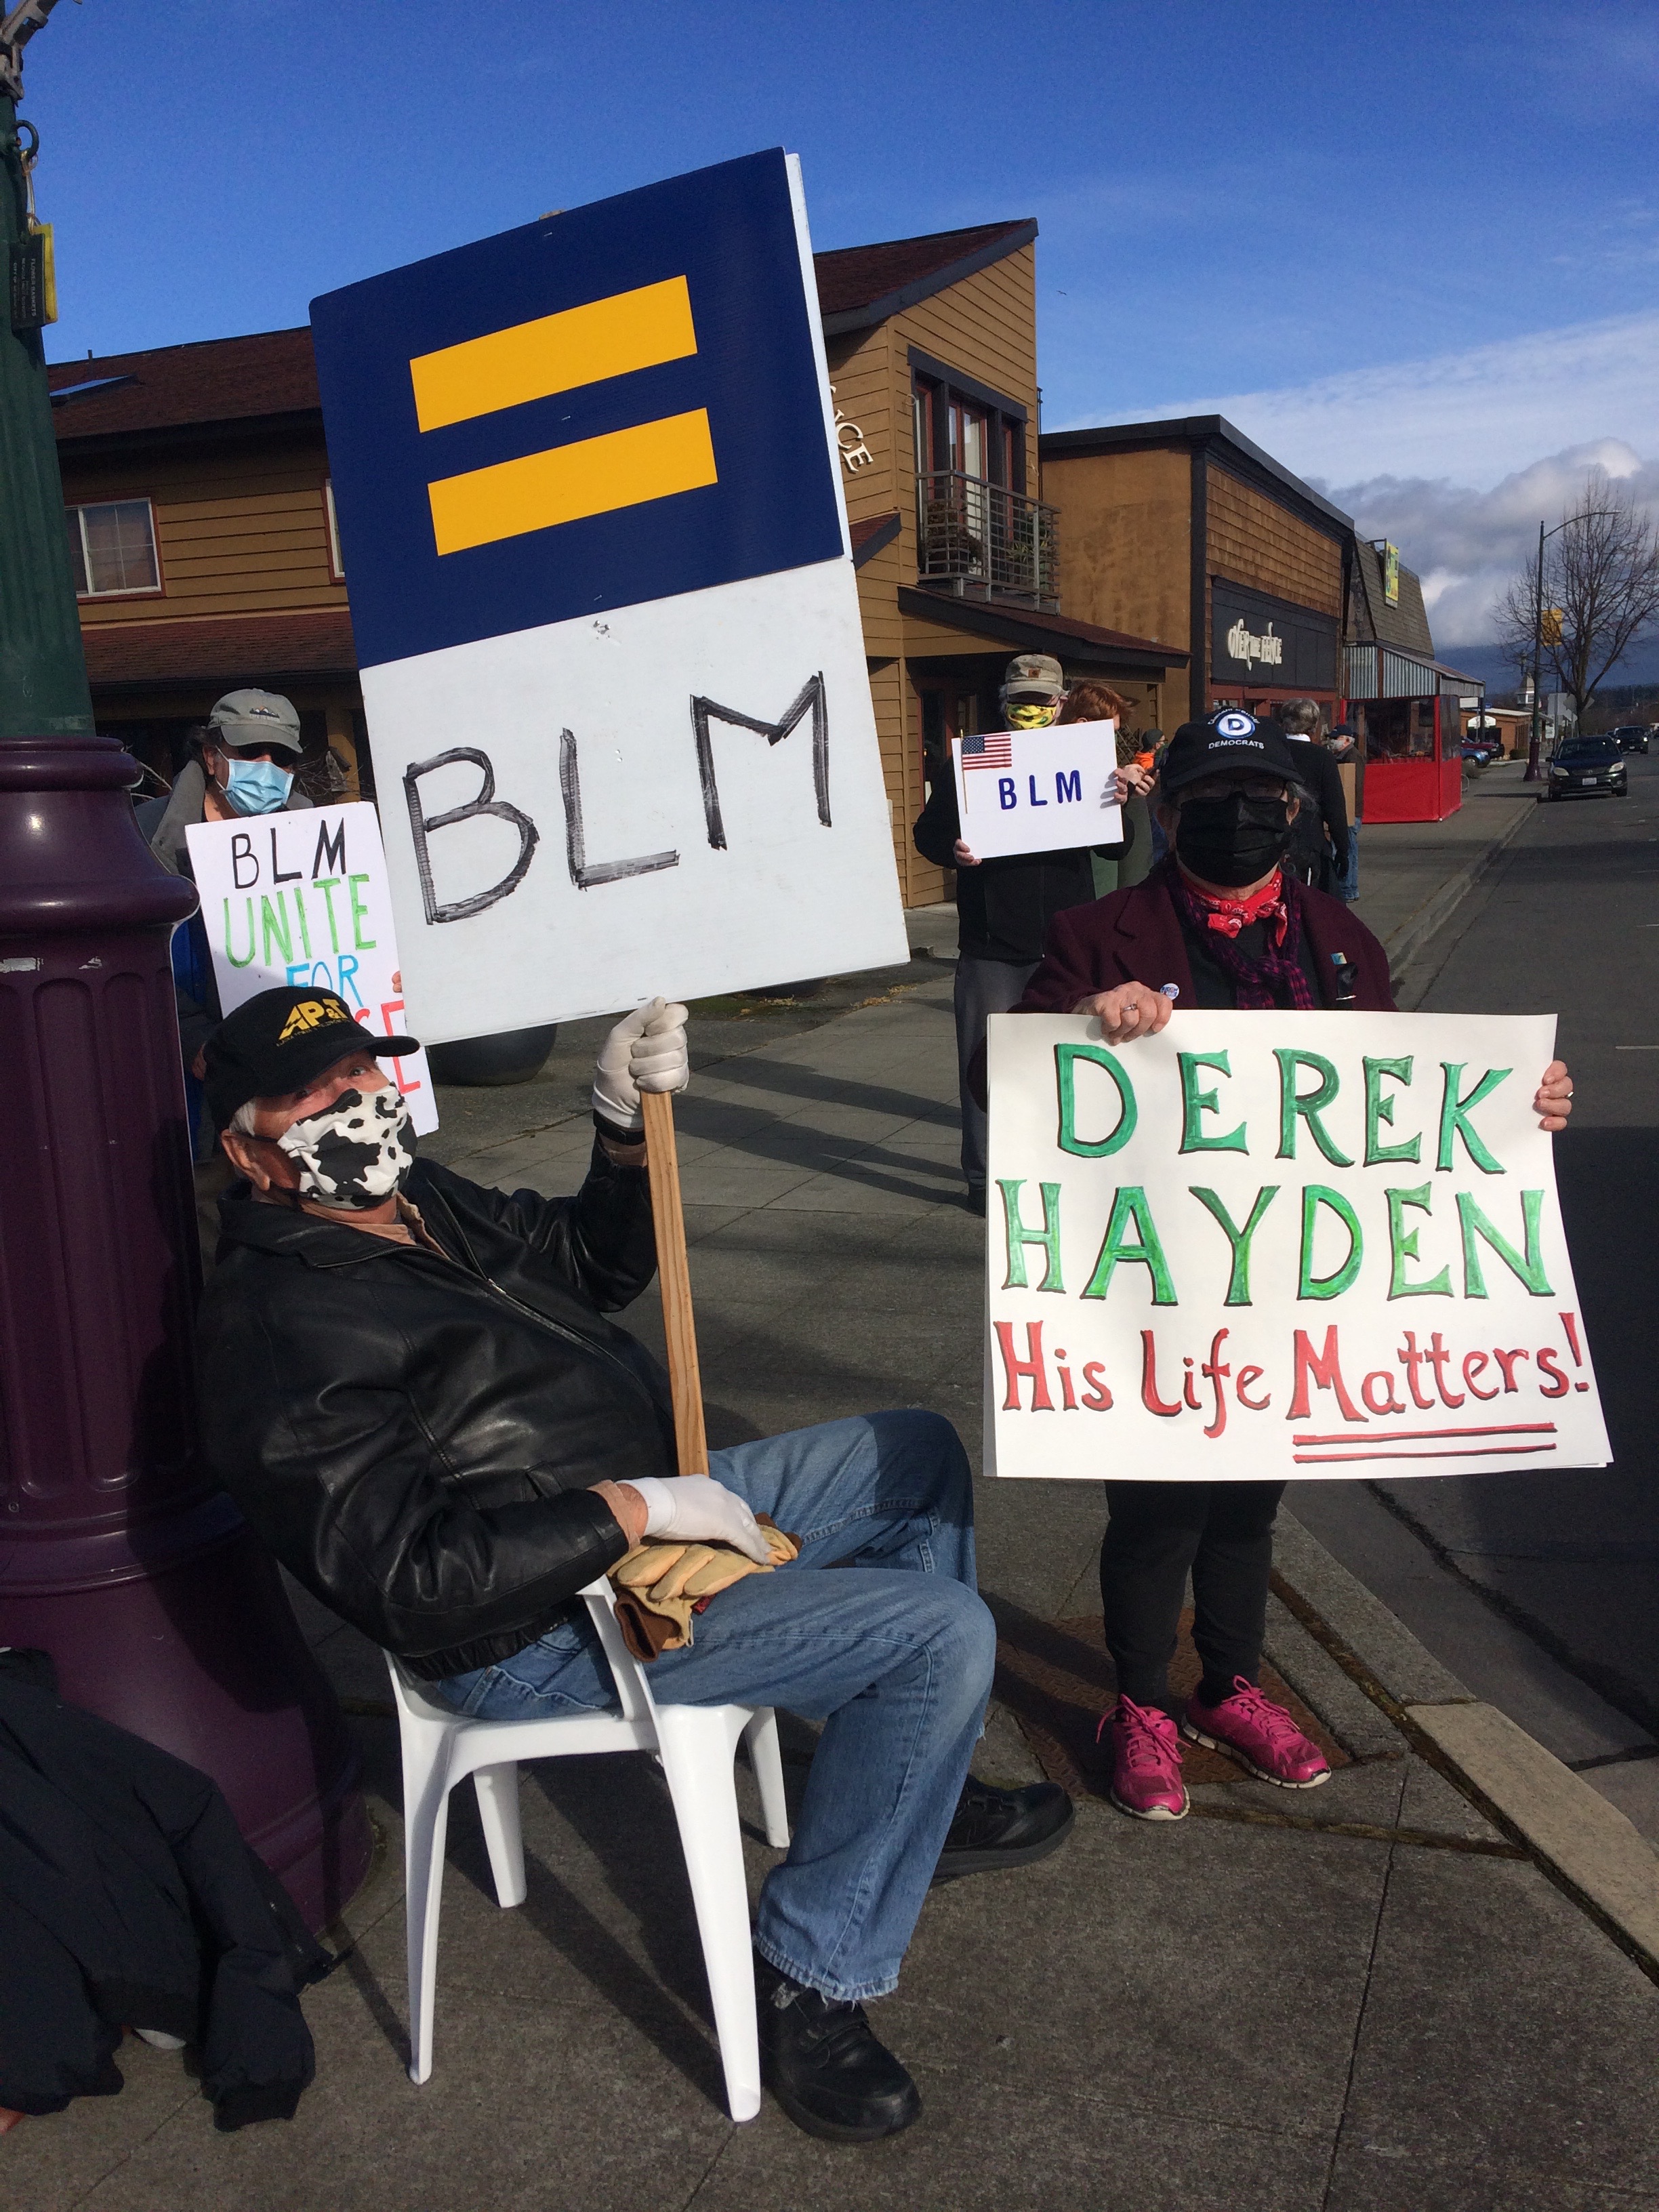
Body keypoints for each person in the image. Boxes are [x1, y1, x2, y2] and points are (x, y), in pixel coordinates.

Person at [192, 985, 1074, 2144]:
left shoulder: (419, 1199)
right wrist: (625, 1506)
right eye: (313, 1094)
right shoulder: (274, 1325)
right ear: (248, 1149)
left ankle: (921, 1790)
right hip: (532, 1626)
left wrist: (617, 1126)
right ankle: (810, 1972)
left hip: (641, 1514)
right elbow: (406, 1580)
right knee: (937, 1632)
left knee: (909, 1454)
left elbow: (583, 1265)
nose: (356, 1103)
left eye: (364, 1071)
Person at [998, 710, 1575, 1819]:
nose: (1236, 816)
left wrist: (1515, 1101)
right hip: (1151, 1294)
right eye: (1210, 796)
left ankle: (1229, 1682)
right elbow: (1004, 1086)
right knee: (1159, 1511)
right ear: (1164, 813)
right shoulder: (1095, 931)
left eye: (1261, 797)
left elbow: (1395, 1107)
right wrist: (1077, 1022)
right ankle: (1139, 1700)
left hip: (1286, 1292)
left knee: (1248, 1507)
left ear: (1296, 814)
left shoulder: (1340, 941)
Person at [912, 653, 1147, 1212]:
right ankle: (983, 1179)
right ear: (1002, 702)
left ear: (1061, 703)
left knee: (1077, 1060)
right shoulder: (972, 762)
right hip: (993, 943)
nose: (1031, 709)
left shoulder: (1085, 759)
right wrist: (953, 849)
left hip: (1069, 943)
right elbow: (928, 835)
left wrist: (1119, 803)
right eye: (1021, 700)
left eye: (1042, 701)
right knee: (983, 1063)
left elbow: (1114, 848)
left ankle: (1074, 1168)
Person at [137, 689, 314, 1258]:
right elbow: (135, 964)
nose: (266, 768)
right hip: (199, 1090)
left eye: (280, 757)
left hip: (295, 1081)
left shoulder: (319, 835)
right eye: (249, 750)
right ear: (212, 754)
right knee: (211, 1229)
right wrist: (192, 1036)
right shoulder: (143, 838)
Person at [1274, 698, 1349, 893]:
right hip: (1310, 845)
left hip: (1273, 842)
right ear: (1314, 727)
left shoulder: (1273, 753)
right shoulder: (1322, 757)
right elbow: (1335, 809)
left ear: (1284, 723)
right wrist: (1343, 850)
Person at [1324, 720, 1363, 901]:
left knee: (1347, 851)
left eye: (1336, 738)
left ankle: (1348, 889)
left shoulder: (1352, 757)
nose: (1332, 742)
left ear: (1347, 740)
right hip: (1348, 812)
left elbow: (1351, 786)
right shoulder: (1342, 756)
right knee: (1347, 850)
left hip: (1349, 813)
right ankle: (1348, 888)